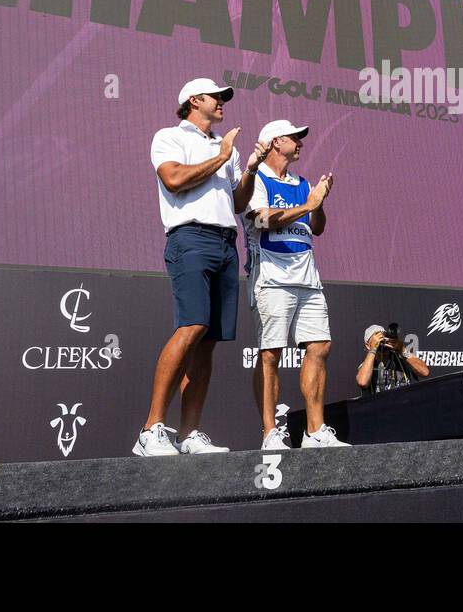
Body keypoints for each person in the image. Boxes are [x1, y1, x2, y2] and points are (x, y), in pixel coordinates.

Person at [136, 78, 263, 456]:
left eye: (225, 97)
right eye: (217, 97)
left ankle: (189, 434)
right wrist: (222, 157)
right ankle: (151, 429)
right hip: (189, 238)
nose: (224, 102)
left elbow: (238, 203)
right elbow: (173, 180)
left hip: (226, 244)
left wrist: (250, 169)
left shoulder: (224, 148)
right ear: (194, 100)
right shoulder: (169, 137)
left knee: (206, 343)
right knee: (191, 326)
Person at [245, 119, 348, 449]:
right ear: (275, 143)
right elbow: (258, 219)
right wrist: (306, 205)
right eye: (294, 137)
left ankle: (315, 431)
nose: (301, 142)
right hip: (273, 279)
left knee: (320, 347)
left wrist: (319, 203)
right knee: (271, 356)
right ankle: (270, 433)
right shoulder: (258, 179)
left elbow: (315, 228)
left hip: (308, 278)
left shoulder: (302, 182)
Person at [356, 324, 430, 394]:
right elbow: (362, 382)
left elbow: (425, 372)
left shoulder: (401, 360)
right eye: (377, 338)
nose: (382, 341)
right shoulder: (367, 366)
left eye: (383, 337)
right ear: (367, 345)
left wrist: (403, 350)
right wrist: (373, 349)